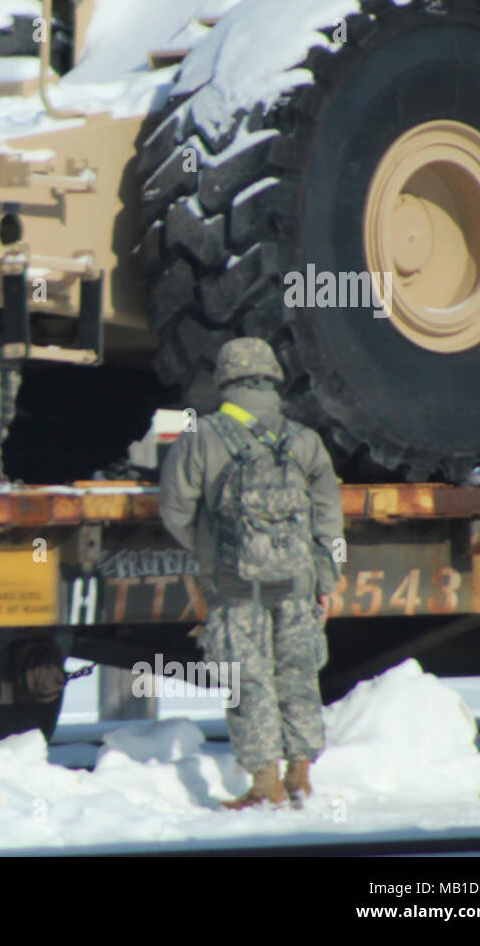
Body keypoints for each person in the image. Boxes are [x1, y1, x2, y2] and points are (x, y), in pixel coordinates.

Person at [159, 337, 344, 809]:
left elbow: (175, 511)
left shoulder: (201, 436)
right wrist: (326, 575)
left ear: (224, 379)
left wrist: (209, 556)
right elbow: (329, 517)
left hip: (234, 585)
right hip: (298, 584)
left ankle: (265, 786)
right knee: (298, 676)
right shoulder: (305, 440)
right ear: (273, 378)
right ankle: (300, 778)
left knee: (248, 681)